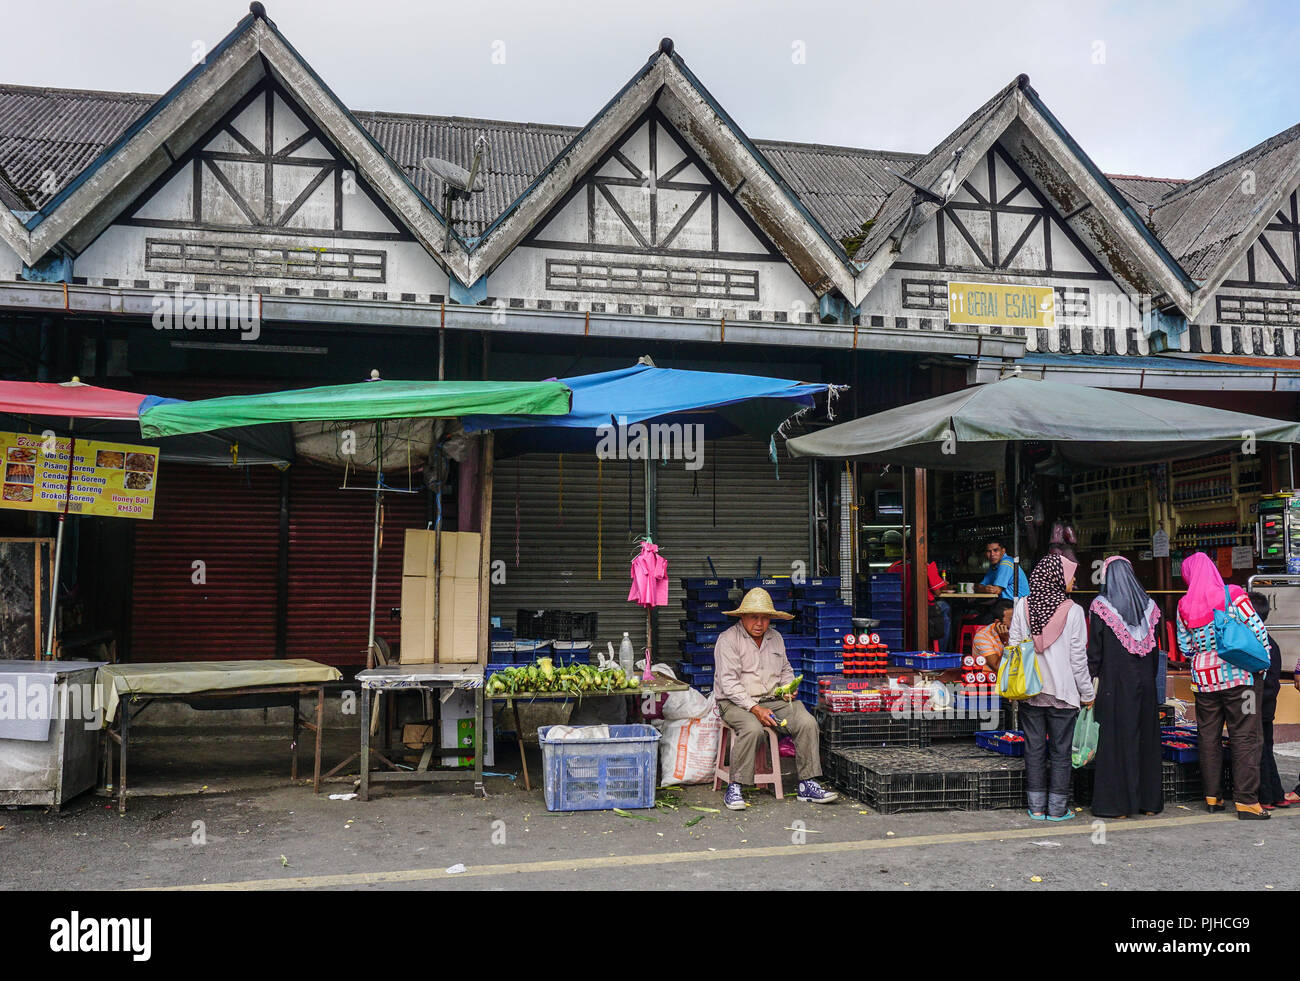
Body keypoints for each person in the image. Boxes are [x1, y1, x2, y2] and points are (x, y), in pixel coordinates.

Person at [713, 587, 838, 809]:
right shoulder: (728, 639)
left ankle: (807, 784)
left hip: (772, 699)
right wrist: (754, 708)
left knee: (807, 722)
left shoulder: (775, 638)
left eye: (765, 618)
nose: (760, 623)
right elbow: (729, 684)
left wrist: (788, 687)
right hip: (733, 703)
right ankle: (735, 787)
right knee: (752, 729)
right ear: (743, 617)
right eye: (754, 617)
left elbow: (785, 670)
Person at [1175, 552, 1269, 820]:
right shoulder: (1233, 594)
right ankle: (1246, 801)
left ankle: (1212, 797)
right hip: (1242, 680)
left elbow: (1185, 647)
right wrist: (1263, 662)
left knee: (1208, 736)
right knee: (1245, 736)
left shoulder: (1184, 604)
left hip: (1204, 682)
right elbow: (1257, 628)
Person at [1009, 552, 1094, 821]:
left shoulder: (1023, 606)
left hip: (1030, 691)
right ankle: (1057, 809)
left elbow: (1013, 646)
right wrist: (1087, 693)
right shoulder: (1074, 612)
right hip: (1063, 693)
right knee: (1061, 751)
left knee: (1033, 749)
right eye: (1070, 575)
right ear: (1056, 577)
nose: (1073, 580)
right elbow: (1078, 658)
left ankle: (1035, 807)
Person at [1086, 556, 1163, 818]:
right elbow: (1155, 654)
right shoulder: (1151, 608)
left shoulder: (1100, 607)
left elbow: (1095, 653)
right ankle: (1149, 803)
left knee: (1117, 743)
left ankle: (1118, 806)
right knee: (1146, 741)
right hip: (1146, 685)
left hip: (1115, 686)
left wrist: (1088, 683)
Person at [1249, 591, 1286, 810]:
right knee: (1266, 747)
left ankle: (1265, 795)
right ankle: (1277, 793)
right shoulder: (1272, 643)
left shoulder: (1254, 642)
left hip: (1255, 701)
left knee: (1257, 748)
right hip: (1268, 702)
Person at [887, 546, 952, 651]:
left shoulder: (893, 567)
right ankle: (941, 651)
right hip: (922, 611)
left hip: (898, 611)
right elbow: (937, 592)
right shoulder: (926, 566)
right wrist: (943, 584)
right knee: (945, 608)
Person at [971, 598, 1013, 674]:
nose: (1016, 622)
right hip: (991, 681)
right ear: (998, 623)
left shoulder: (1018, 631)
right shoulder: (983, 636)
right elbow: (999, 668)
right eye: (1011, 619)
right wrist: (1007, 642)